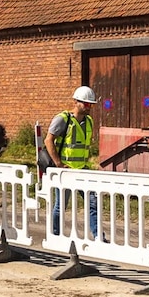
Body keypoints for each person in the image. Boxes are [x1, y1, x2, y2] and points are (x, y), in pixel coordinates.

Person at [44, 86, 99, 237]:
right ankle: (55, 235)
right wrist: (59, 164)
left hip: (82, 170)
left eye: (91, 104)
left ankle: (97, 236)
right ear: (75, 102)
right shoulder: (63, 119)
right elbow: (49, 141)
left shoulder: (89, 121)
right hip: (66, 171)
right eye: (86, 104)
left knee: (93, 203)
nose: (89, 107)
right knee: (60, 206)